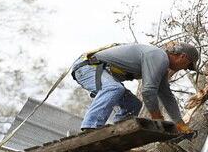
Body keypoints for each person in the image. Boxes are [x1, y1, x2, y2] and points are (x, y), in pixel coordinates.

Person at [71, 42, 199, 133]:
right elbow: (148, 91)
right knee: (114, 88)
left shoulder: (159, 63)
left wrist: (179, 123)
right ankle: (91, 127)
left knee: (133, 105)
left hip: (99, 71)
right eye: (187, 66)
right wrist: (157, 118)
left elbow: (167, 96)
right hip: (88, 67)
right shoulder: (159, 56)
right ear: (182, 57)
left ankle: (119, 133)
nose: (184, 69)